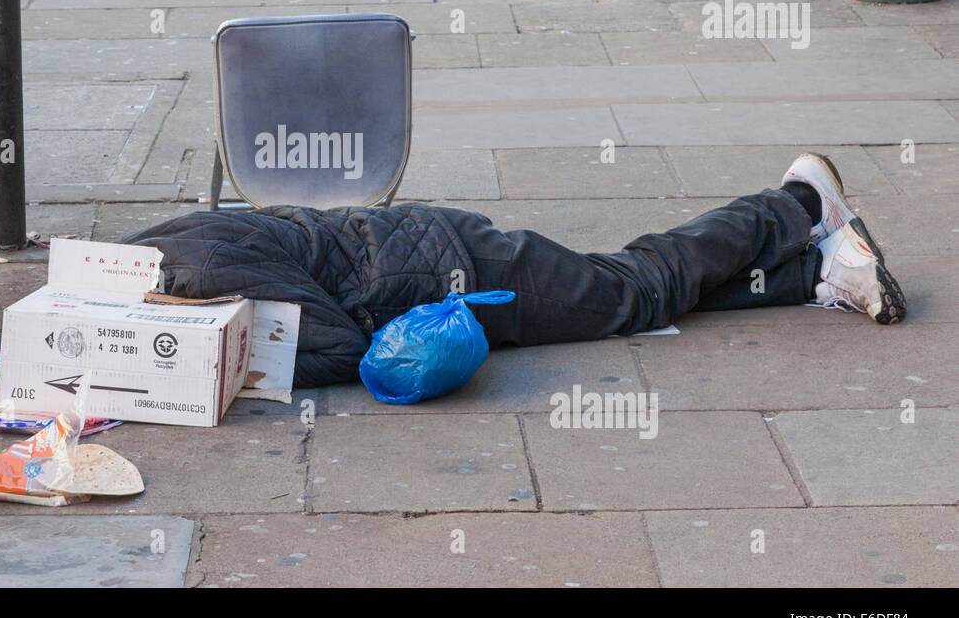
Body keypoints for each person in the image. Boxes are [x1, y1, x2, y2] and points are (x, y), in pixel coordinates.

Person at [124, 153, 906, 389]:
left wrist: (207, 364)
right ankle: (818, 276)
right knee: (620, 295)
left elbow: (330, 345)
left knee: (632, 291)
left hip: (460, 274)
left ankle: (796, 201)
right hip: (431, 251)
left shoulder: (196, 279)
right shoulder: (158, 247)